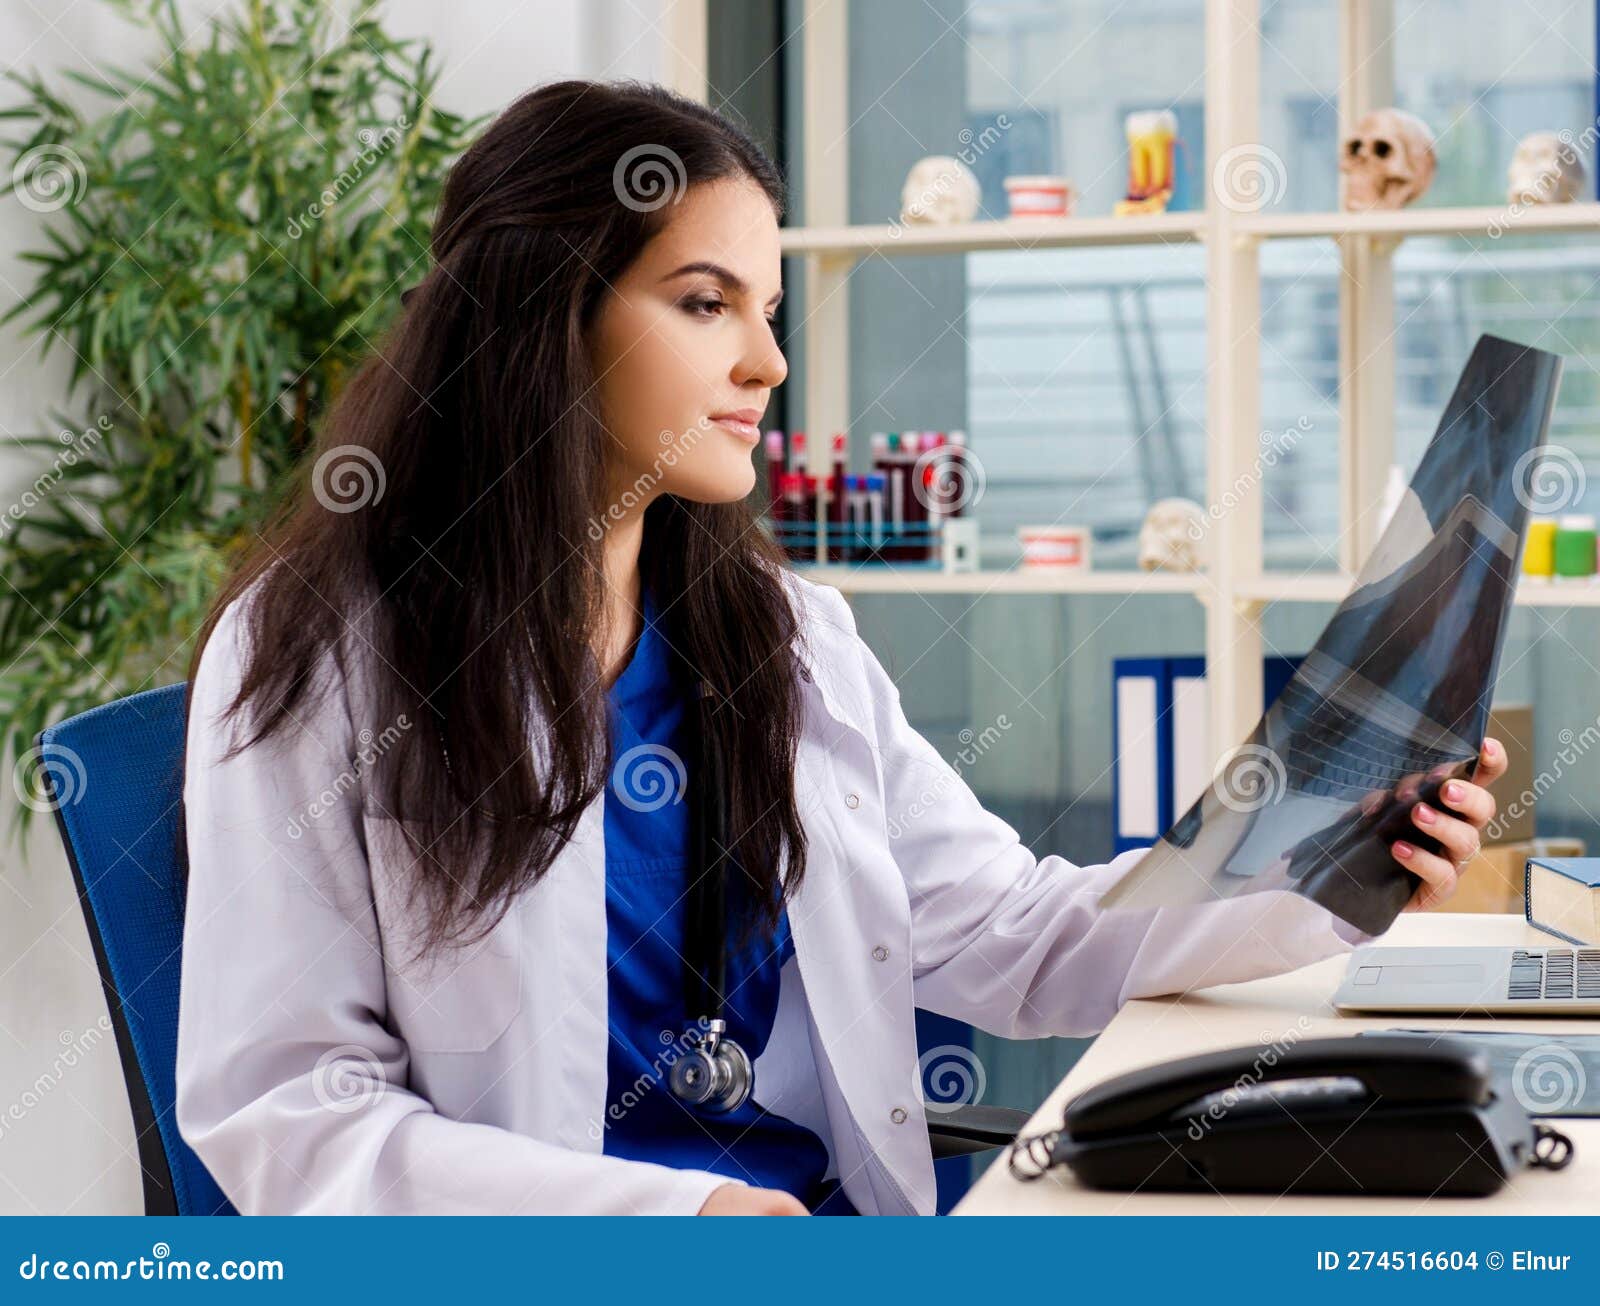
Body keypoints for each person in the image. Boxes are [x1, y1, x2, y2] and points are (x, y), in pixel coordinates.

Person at [174, 79, 1506, 1217]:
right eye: (705, 304)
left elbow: (1011, 932)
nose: (767, 360)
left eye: (768, 306)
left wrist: (1327, 861)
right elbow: (289, 1111)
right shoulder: (323, 659)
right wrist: (672, 1212)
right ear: (542, 316)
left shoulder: (788, 637)